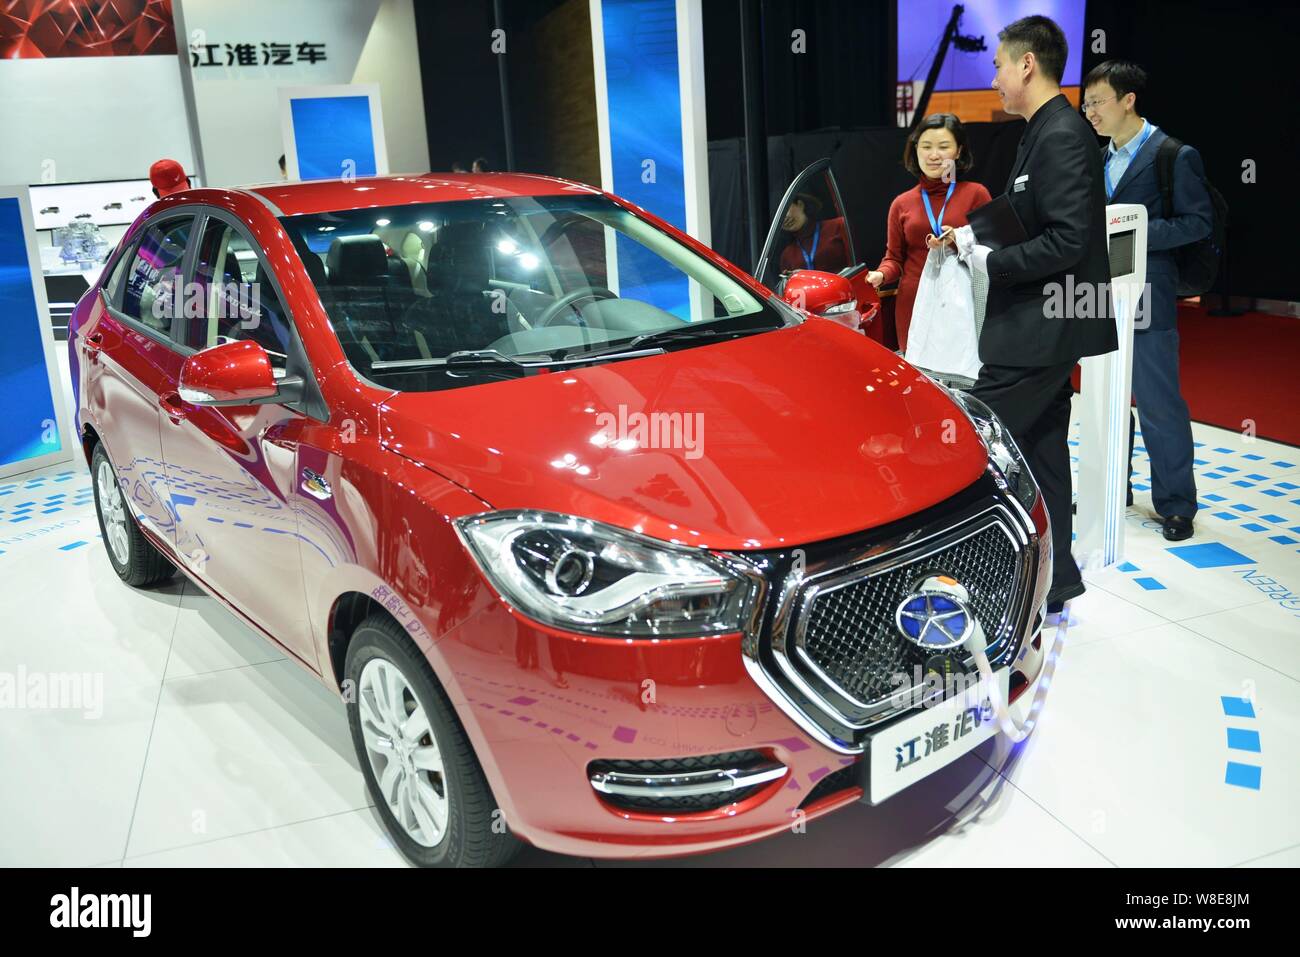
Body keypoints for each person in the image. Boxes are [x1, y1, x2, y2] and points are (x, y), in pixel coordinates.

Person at [951, 15, 1116, 614]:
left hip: (1044, 327)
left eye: (997, 65)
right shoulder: (1042, 130)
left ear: (1026, 64)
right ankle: (1059, 576)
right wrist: (978, 234)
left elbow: (1070, 239)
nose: (992, 77)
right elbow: (1034, 211)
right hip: (1041, 325)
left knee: (976, 439)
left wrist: (991, 263)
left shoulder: (1062, 133)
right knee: (1042, 448)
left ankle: (975, 575)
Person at [1083, 60, 1211, 542]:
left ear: (1128, 100)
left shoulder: (1173, 155)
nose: (1090, 112)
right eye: (1086, 104)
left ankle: (1176, 504)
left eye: (1097, 102)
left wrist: (1131, 231)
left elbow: (1196, 223)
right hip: (1099, 294)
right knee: (1104, 398)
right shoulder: (1098, 159)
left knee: (1158, 403)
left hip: (1150, 292)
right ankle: (1116, 487)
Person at [867, 113, 991, 352]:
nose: (934, 155)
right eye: (926, 146)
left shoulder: (977, 194)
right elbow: (894, 259)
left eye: (943, 147)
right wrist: (881, 275)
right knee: (920, 380)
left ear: (959, 150)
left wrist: (958, 241)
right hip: (914, 305)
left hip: (962, 303)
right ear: (915, 150)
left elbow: (992, 251)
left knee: (961, 380)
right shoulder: (901, 204)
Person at [777, 193, 851, 275]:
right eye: (777, 217)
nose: (784, 219)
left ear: (800, 205)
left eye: (784, 211)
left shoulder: (839, 226)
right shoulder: (786, 256)